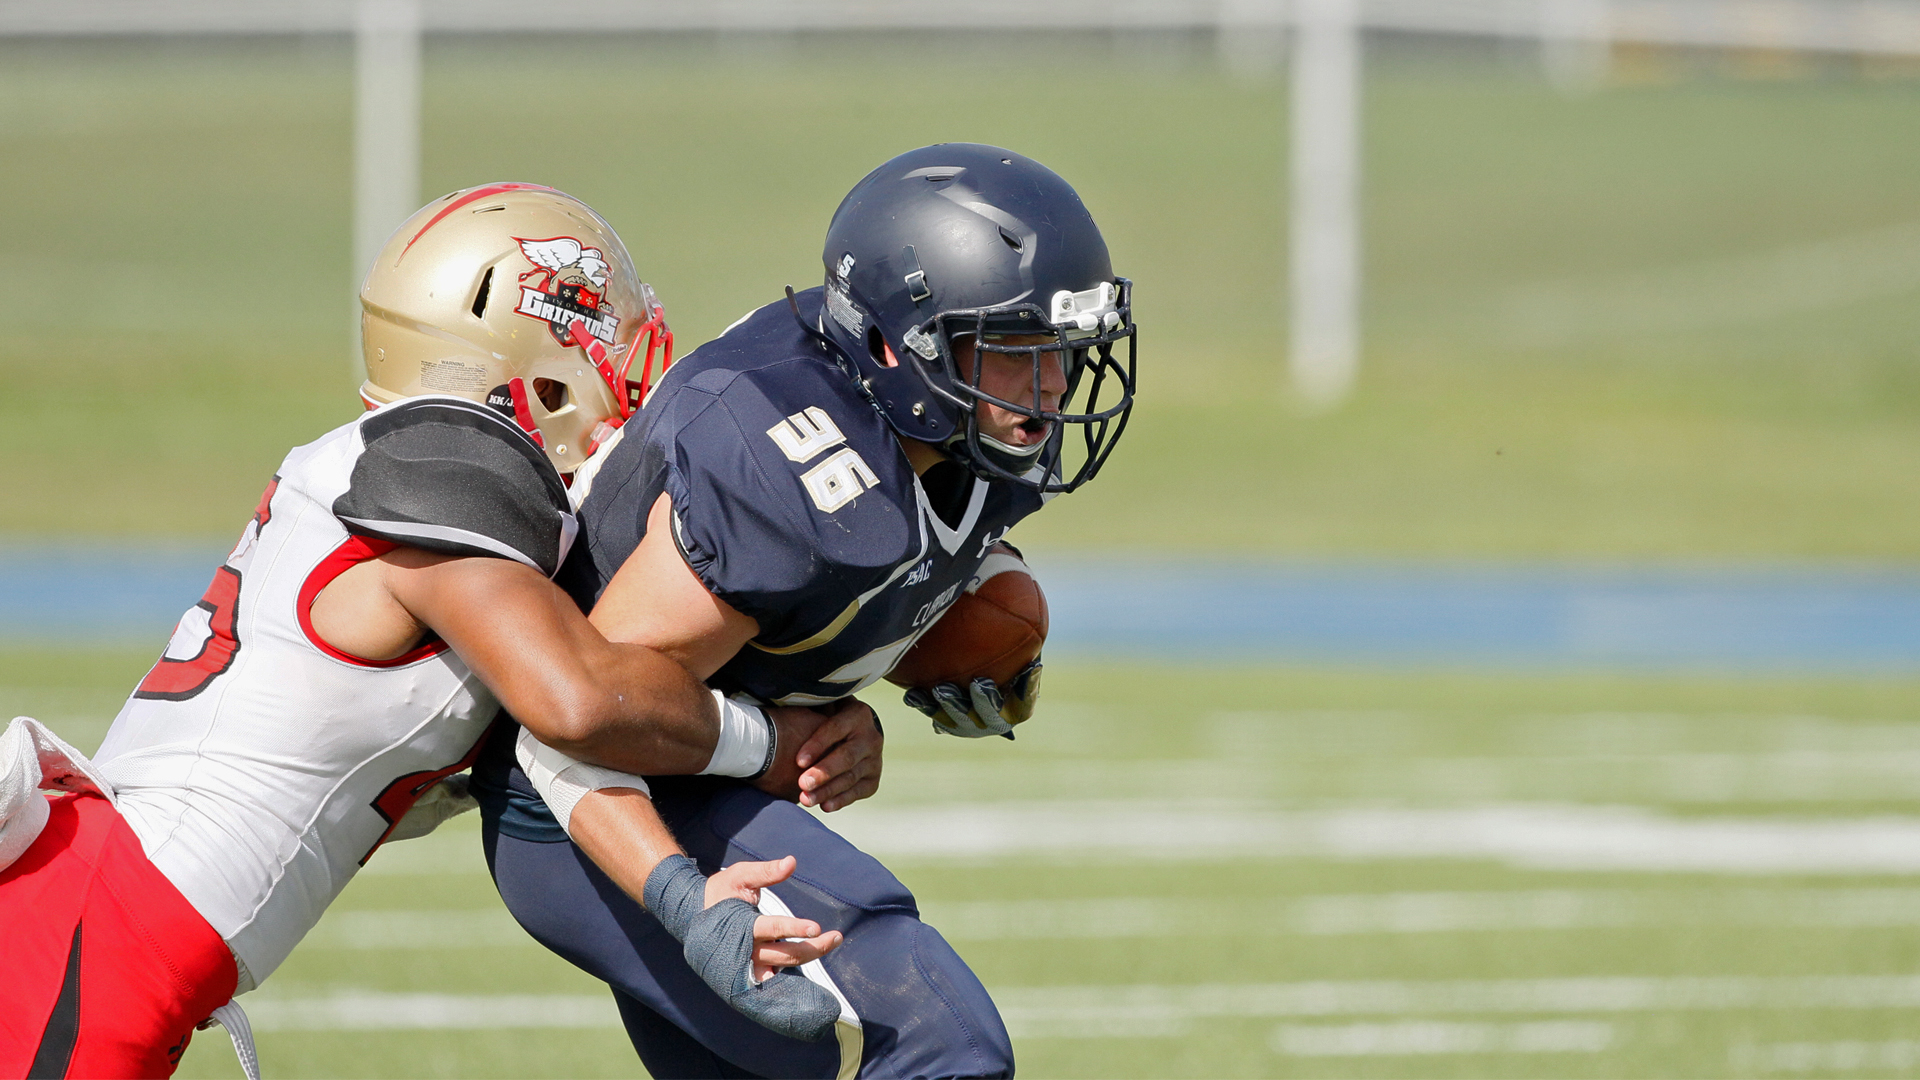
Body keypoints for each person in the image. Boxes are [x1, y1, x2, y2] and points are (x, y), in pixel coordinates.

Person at [0, 183, 852, 1079]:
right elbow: (577, 699)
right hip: (98, 937)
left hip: (107, 921)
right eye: (604, 334)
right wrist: (768, 741)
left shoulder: (404, 463)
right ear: (537, 354)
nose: (627, 368)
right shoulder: (452, 463)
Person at [475, 144, 1138, 1079]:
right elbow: (574, 724)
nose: (1052, 390)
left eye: (1062, 350)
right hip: (590, 804)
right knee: (935, 1038)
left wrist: (855, 694)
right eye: (1014, 351)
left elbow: (891, 559)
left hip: (688, 774)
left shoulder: (949, 424)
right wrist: (713, 839)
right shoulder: (785, 463)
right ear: (891, 348)